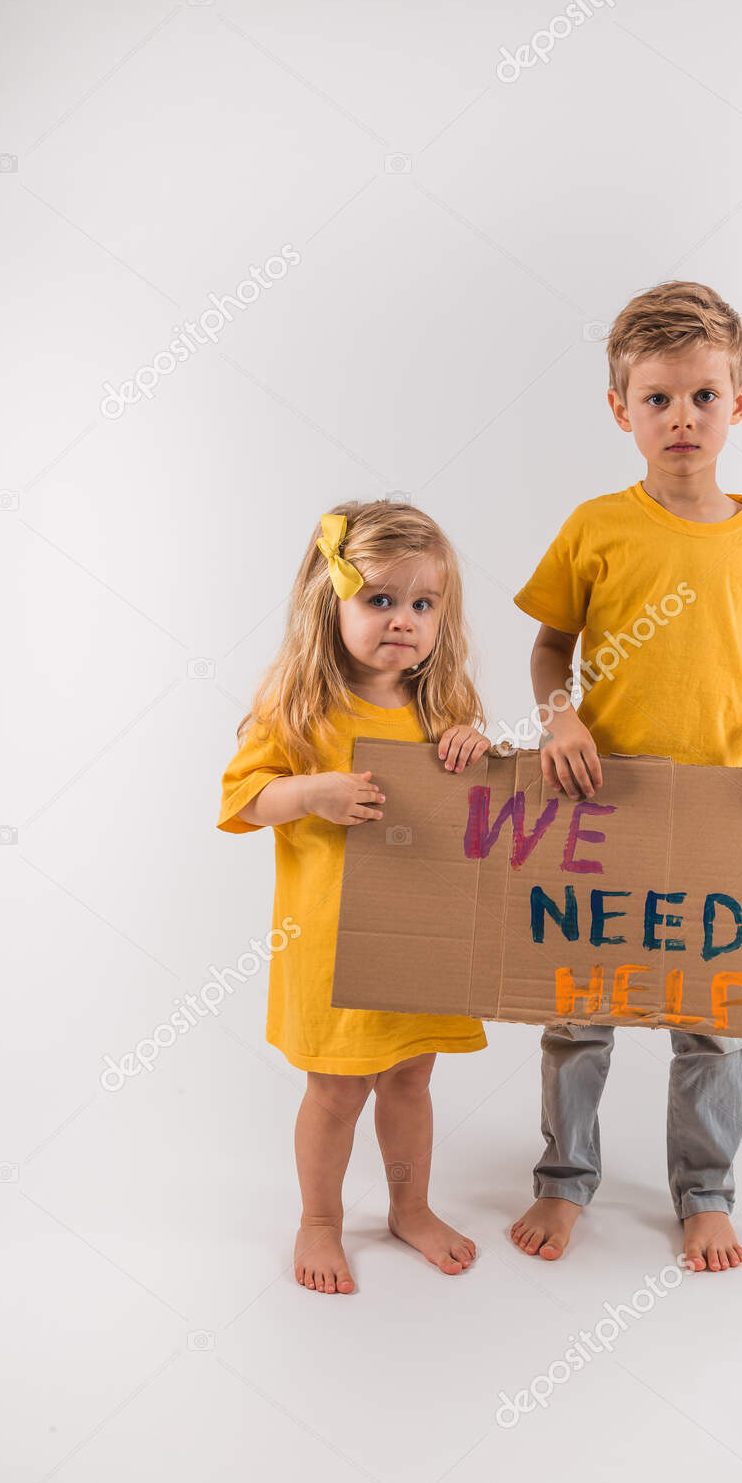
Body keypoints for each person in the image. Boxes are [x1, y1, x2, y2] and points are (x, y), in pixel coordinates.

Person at [509, 280, 742, 1272]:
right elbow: (547, 647)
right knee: (577, 1008)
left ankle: (704, 1190)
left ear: (740, 399)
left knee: (713, 1020)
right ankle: (564, 1181)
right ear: (620, 411)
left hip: (719, 813)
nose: (680, 417)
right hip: (596, 807)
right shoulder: (596, 526)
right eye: (656, 398)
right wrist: (556, 717)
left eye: (701, 394)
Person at [218, 502, 490, 1294]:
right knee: (337, 1090)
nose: (401, 620)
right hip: (331, 949)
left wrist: (474, 750)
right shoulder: (299, 711)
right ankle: (321, 1221)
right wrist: (310, 793)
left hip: (419, 941)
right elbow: (242, 800)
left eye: (421, 603)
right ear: (328, 604)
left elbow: (476, 814)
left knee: (410, 1079)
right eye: (378, 600)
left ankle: (410, 1207)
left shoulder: (444, 710)